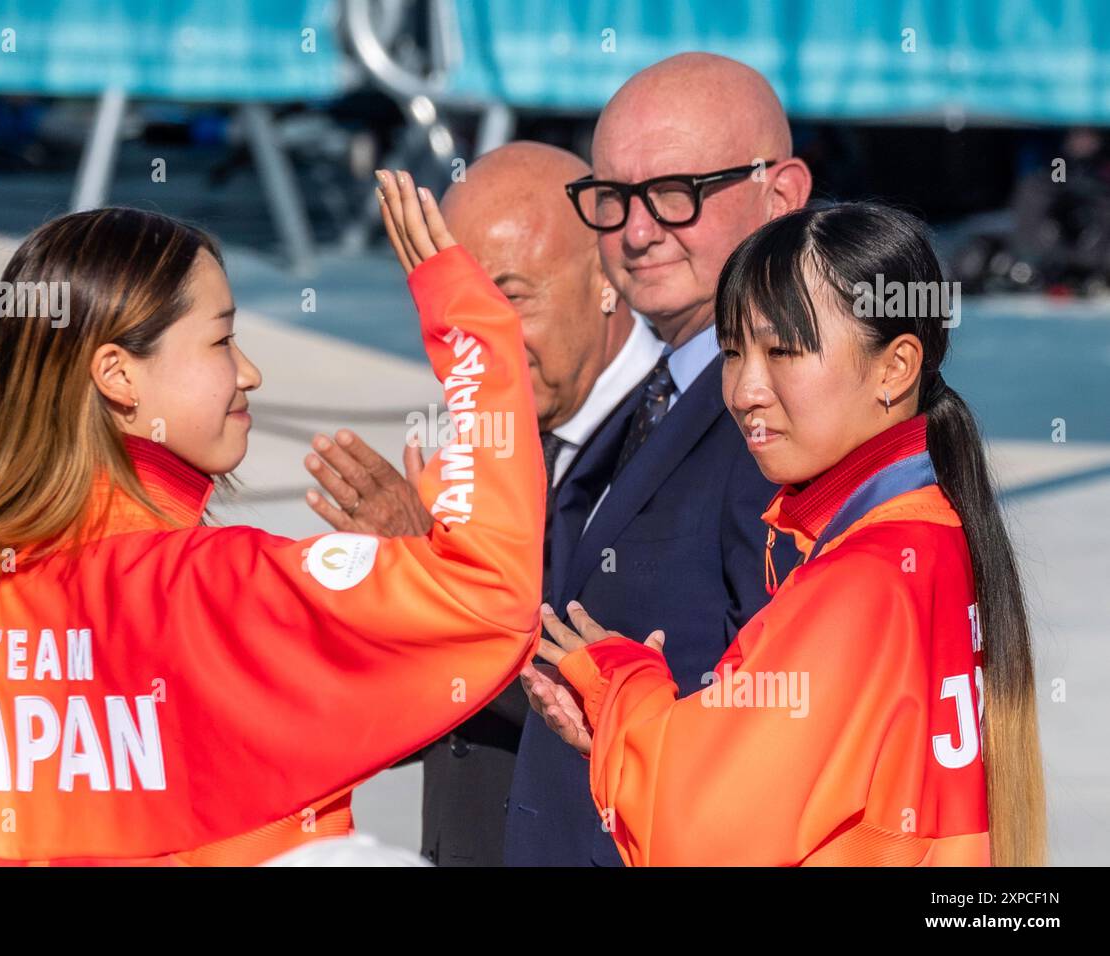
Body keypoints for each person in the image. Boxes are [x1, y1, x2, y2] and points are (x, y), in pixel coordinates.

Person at [0, 171, 545, 865]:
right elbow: (488, 590)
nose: (250, 371)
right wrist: (473, 333)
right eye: (222, 339)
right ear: (118, 375)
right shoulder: (218, 592)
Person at [527, 202, 1047, 866]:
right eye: (733, 351)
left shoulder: (861, 581)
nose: (745, 390)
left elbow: (704, 834)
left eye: (784, 352)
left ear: (894, 368)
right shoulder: (936, 534)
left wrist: (621, 685)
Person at [301, 141, 659, 866]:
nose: (481, 337)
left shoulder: (688, 443)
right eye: (461, 304)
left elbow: (636, 699)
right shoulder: (466, 451)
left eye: (509, 297)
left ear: (606, 282)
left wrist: (432, 580)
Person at [505, 52, 812, 867]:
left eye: (675, 195)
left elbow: (788, 725)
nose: (638, 232)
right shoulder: (653, 395)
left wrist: (624, 723)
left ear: (780, 196)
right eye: (614, 199)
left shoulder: (790, 420)